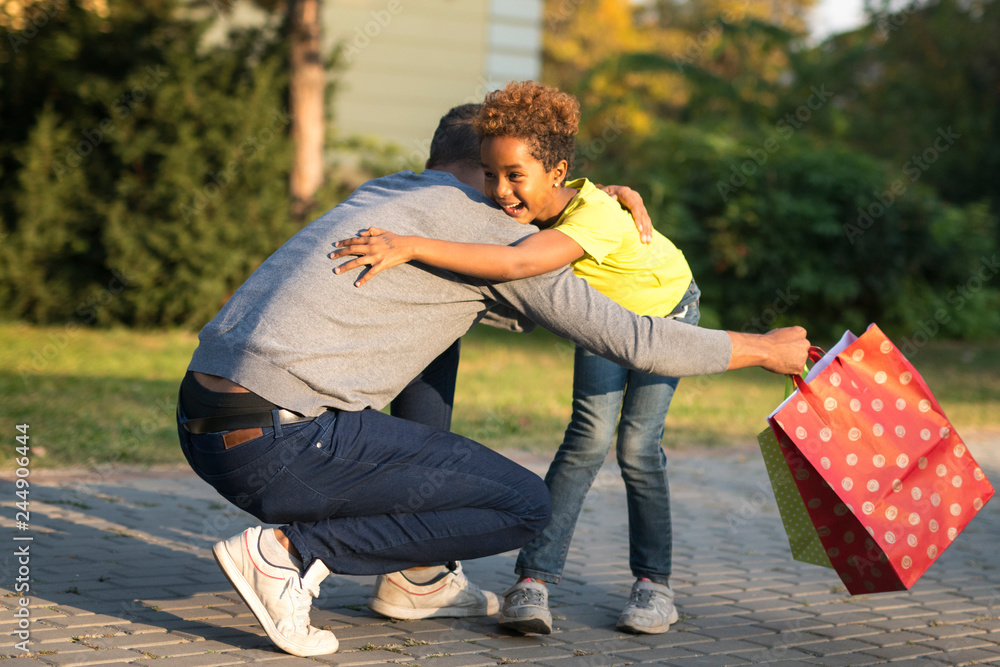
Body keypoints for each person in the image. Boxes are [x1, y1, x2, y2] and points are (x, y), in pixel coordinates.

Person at [176, 102, 811, 658]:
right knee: (523, 506)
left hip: (208, 424)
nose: (510, 198)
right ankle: (286, 556)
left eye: (518, 181)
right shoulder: (491, 232)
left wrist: (591, 211)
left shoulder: (384, 194)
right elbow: (635, 338)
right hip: (282, 446)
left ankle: (416, 576)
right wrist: (763, 349)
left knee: (435, 344)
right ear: (479, 170)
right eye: (498, 178)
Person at [330, 81, 698, 635]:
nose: (500, 190)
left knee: (638, 448)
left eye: (513, 176)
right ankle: (534, 579)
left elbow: (516, 267)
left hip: (664, 317)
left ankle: (654, 585)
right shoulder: (541, 201)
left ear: (555, 170)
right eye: (490, 173)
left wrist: (410, 244)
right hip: (606, 319)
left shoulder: (588, 216)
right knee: (587, 439)